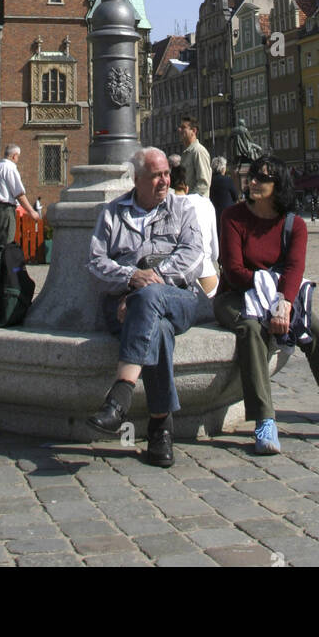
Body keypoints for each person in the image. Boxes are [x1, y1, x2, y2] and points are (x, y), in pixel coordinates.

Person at [215, 155, 319, 453]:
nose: (252, 182)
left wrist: (282, 304)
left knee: (317, 329)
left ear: (278, 185)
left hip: (280, 297)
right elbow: (234, 271)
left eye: (261, 178)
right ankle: (264, 420)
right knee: (251, 329)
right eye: (252, 176)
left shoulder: (294, 225)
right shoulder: (233, 217)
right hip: (236, 296)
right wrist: (270, 296)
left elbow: (294, 269)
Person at [86, 147, 204, 468]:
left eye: (166, 173)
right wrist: (130, 278)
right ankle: (160, 429)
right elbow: (95, 265)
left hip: (178, 299)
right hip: (128, 307)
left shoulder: (183, 209)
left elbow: (193, 257)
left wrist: (146, 283)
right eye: (156, 175)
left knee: (149, 299)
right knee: (158, 329)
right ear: (136, 179)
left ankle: (121, 393)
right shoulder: (112, 213)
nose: (164, 181)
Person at [0, 145, 40, 281]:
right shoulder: (9, 168)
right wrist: (31, 211)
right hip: (5, 208)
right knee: (5, 242)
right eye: (18, 157)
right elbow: (19, 192)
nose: (18, 160)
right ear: (14, 156)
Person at [169, 165, 219, 307]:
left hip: (179, 285)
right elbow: (215, 253)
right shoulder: (205, 203)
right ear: (187, 187)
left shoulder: (164, 205)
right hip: (209, 281)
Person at [178, 116, 212, 198]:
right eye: (180, 127)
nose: (179, 130)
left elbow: (203, 183)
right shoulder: (187, 152)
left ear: (193, 131)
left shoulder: (198, 151)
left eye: (183, 128)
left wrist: (189, 200)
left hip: (196, 207)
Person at [209, 156, 238, 220]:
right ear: (222, 168)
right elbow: (235, 196)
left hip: (213, 212)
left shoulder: (209, 180)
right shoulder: (227, 179)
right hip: (227, 213)